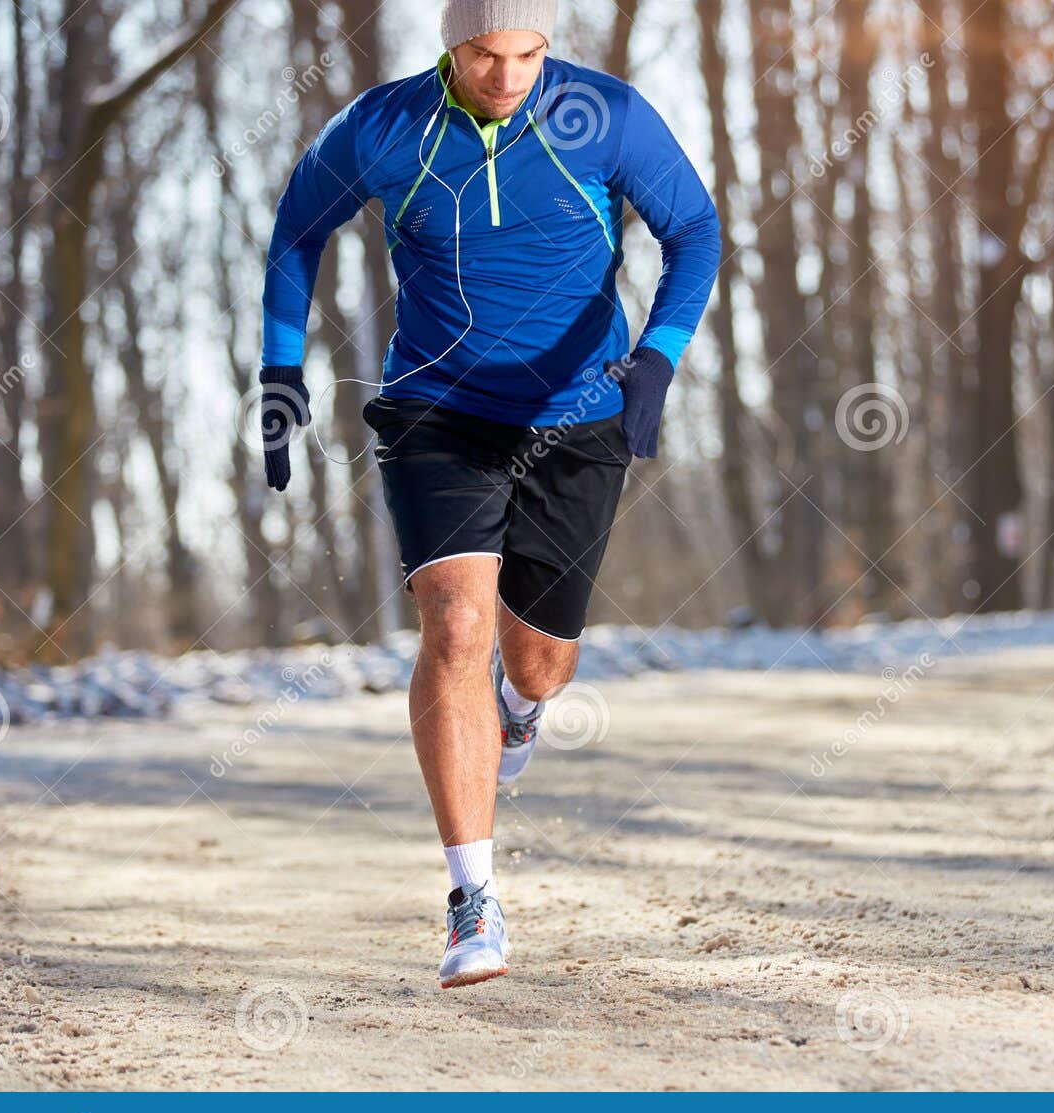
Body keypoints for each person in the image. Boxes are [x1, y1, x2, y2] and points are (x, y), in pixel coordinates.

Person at [255, 0, 721, 987]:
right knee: (456, 627)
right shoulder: (382, 128)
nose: (508, 75)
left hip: (578, 413)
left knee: (541, 663)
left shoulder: (609, 116)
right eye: (483, 54)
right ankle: (473, 900)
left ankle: (519, 707)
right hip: (438, 410)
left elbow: (694, 232)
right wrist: (281, 371)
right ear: (448, 44)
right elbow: (297, 232)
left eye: (528, 53)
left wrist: (657, 361)